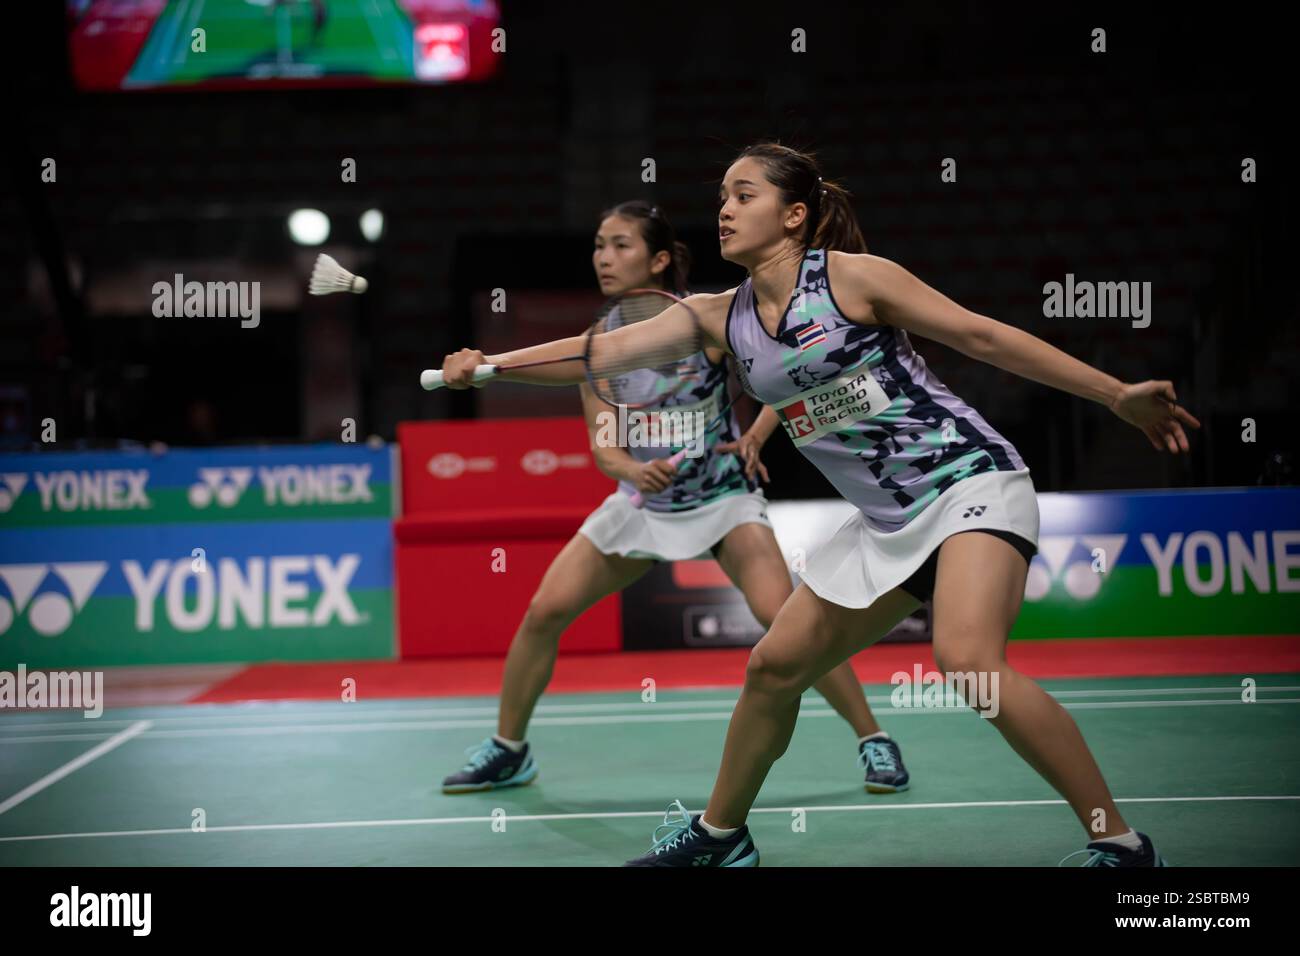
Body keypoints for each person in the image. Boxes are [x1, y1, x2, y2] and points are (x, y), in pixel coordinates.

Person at [441, 199, 910, 797]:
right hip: (645, 507)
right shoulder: (597, 345)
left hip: (723, 501)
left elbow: (788, 372)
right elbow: (605, 444)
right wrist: (631, 473)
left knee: (783, 620)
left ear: (659, 259)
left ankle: (873, 738)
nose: (603, 257)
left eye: (620, 245)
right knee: (544, 611)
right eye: (598, 245)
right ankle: (509, 750)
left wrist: (756, 435)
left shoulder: (705, 325)